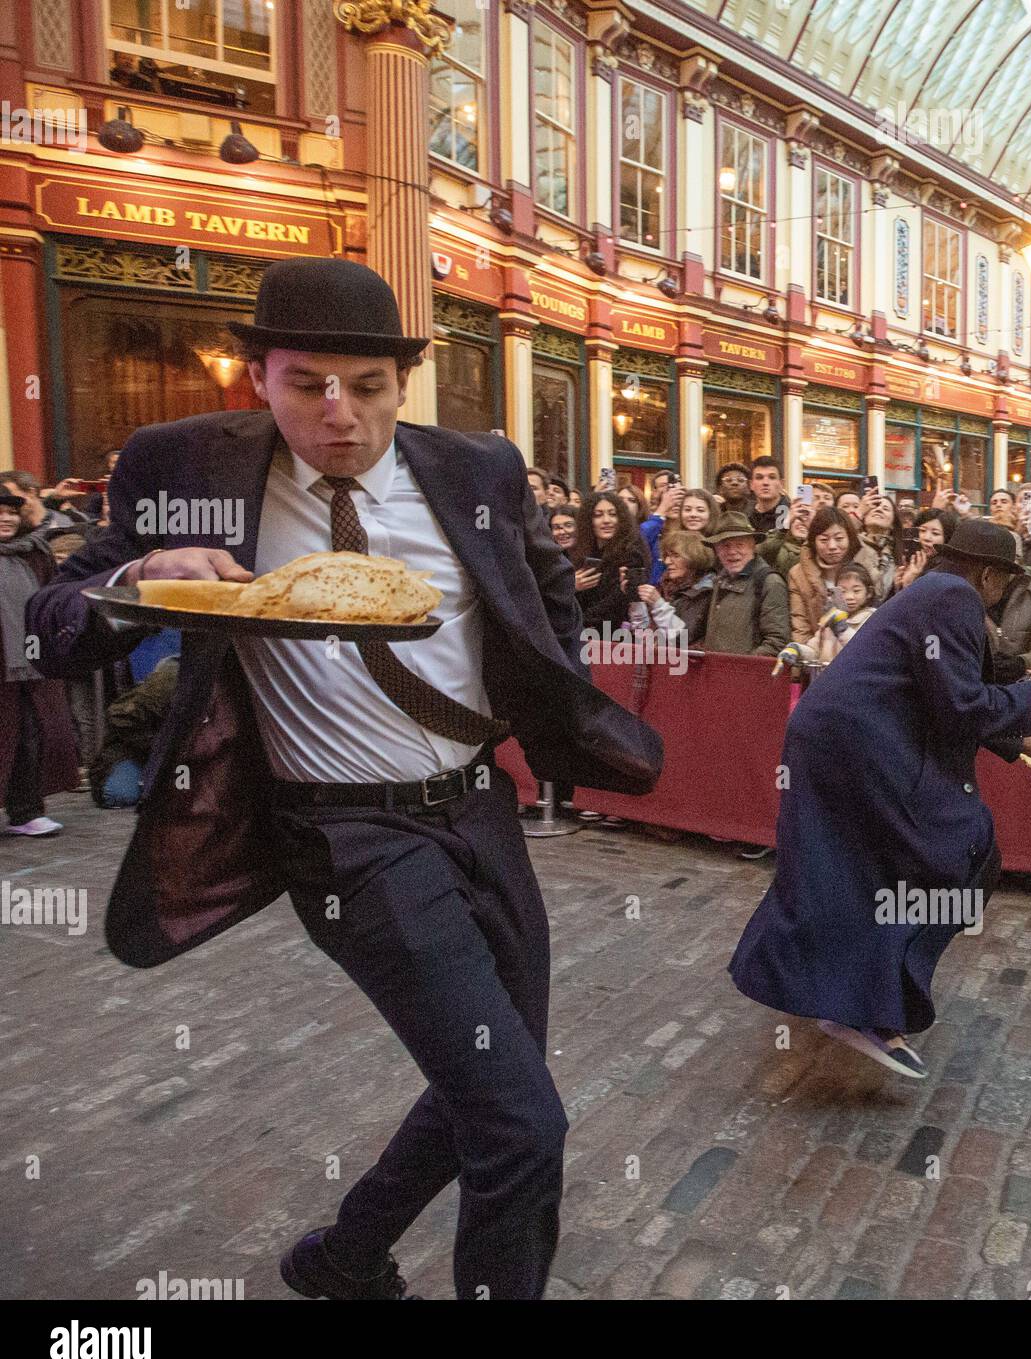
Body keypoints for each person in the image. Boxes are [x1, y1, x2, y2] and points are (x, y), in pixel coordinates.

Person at [27, 257, 661, 1301]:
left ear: (402, 382)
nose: (339, 414)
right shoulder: (182, 468)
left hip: (479, 806)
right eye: (306, 383)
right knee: (521, 1122)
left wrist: (555, 699)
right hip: (345, 842)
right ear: (259, 376)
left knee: (497, 1080)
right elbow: (53, 627)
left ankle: (342, 1257)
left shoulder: (477, 470)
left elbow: (548, 605)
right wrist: (137, 578)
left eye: (366, 387)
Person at [729, 519, 1031, 1079]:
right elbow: (961, 709)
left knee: (852, 874)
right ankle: (867, 1010)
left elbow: (954, 692)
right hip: (859, 751)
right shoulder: (954, 597)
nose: (1004, 592)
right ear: (990, 575)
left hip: (839, 745)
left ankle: (853, 1004)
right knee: (964, 853)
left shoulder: (931, 591)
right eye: (1006, 581)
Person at [1, 492, 78, 835]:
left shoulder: (37, 554)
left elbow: (52, 600)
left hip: (28, 666)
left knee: (30, 737)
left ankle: (26, 812)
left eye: (10, 514)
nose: (5, 519)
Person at [89, 655, 179, 808]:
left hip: (176, 754)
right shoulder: (170, 677)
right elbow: (119, 715)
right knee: (117, 795)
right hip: (136, 753)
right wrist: (158, 747)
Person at [700, 513, 789, 657]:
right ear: (716, 550)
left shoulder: (770, 582)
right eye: (725, 545)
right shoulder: (720, 579)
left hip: (746, 675)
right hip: (716, 673)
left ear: (753, 546)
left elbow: (776, 642)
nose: (732, 552)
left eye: (739, 544)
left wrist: (741, 668)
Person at [574, 490, 652, 632]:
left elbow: (618, 604)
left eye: (612, 514)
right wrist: (574, 587)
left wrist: (582, 620)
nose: (606, 520)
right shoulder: (583, 551)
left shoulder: (632, 554)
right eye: (598, 515)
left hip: (618, 637)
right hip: (587, 633)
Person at [787, 507, 866, 645]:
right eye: (824, 540)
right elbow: (800, 627)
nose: (832, 546)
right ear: (813, 542)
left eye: (839, 538)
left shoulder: (864, 565)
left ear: (850, 538)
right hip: (818, 652)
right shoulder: (798, 574)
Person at [655, 530, 715, 645]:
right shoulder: (667, 586)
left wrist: (657, 603)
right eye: (667, 555)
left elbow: (683, 638)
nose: (667, 561)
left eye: (675, 556)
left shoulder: (705, 592)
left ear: (694, 558)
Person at [893, 506, 956, 591]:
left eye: (935, 533)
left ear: (946, 539)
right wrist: (897, 587)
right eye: (922, 531)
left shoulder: (947, 572)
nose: (926, 538)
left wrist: (909, 586)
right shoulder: (908, 562)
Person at [0, 470, 77, 535]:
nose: (7, 504)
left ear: (31, 492)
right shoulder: (11, 531)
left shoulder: (64, 528)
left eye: (11, 497)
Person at [858, 491, 903, 601]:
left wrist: (899, 587)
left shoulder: (899, 555)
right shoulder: (853, 543)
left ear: (893, 523)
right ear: (864, 517)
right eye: (875, 506)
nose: (879, 509)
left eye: (886, 509)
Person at [757, 496, 813, 579]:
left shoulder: (817, 546)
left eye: (806, 517)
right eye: (798, 518)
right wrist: (784, 526)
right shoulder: (777, 542)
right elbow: (762, 551)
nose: (802, 523)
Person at [748, 456, 790, 536]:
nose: (765, 482)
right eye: (759, 477)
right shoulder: (746, 515)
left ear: (781, 484)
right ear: (751, 485)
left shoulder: (790, 514)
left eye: (772, 477)